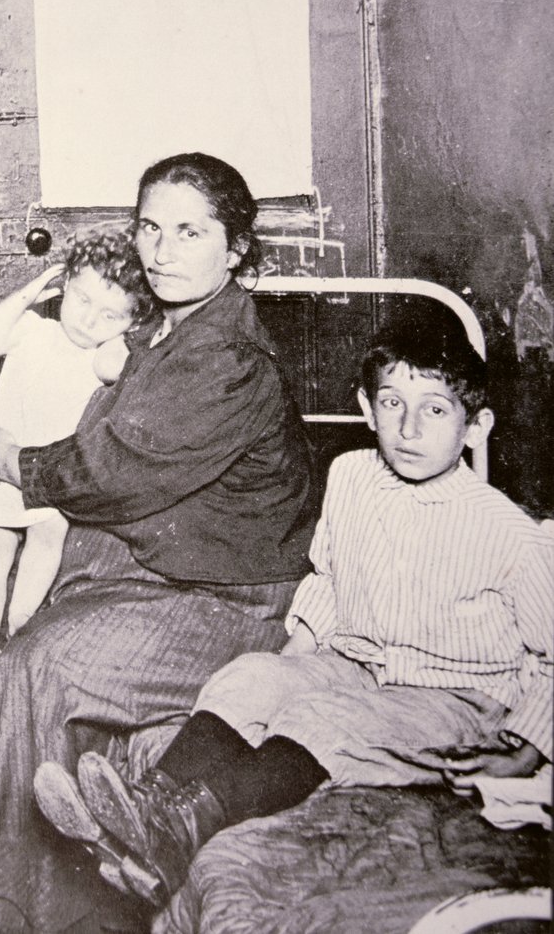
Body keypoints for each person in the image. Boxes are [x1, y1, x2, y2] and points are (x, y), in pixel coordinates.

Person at [0, 152, 317, 933]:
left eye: (190, 233)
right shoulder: (159, 321)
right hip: (136, 551)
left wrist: (10, 462)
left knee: (41, 668)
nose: (161, 251)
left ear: (234, 250)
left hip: (218, 593)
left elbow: (114, 470)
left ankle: (4, 904)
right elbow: (71, 412)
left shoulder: (228, 358)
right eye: (150, 229)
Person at [34, 319, 553, 908]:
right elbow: (329, 579)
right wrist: (286, 672)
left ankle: (178, 832)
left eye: (435, 410)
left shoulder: (510, 532)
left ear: (475, 426)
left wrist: (526, 747)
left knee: (323, 721)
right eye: (392, 403)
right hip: (356, 661)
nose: (408, 428)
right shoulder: (351, 475)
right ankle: (144, 803)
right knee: (253, 678)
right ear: (366, 406)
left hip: (455, 696)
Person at [0, 230, 155, 683]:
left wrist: (126, 332)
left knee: (46, 539)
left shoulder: (102, 357)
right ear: (65, 286)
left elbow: (117, 366)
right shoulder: (33, 329)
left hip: (47, 481)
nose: (89, 320)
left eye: (109, 314)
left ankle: (19, 630)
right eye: (82, 299)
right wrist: (35, 288)